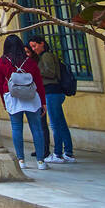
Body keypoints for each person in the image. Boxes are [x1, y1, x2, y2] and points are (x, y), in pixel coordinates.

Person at [0, 34, 47, 170]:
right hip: (31, 97)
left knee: (16, 129)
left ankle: (21, 160)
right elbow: (39, 82)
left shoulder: (3, 61)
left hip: (12, 97)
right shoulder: (29, 61)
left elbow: (0, 82)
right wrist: (43, 102)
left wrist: (3, 100)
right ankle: (41, 161)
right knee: (36, 129)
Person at [29, 33, 75, 163]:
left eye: (35, 45)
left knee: (55, 124)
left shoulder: (47, 56)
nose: (33, 49)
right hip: (54, 92)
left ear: (42, 43)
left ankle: (58, 153)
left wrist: (36, 73)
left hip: (52, 91)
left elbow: (51, 72)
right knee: (60, 123)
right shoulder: (43, 57)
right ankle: (68, 152)